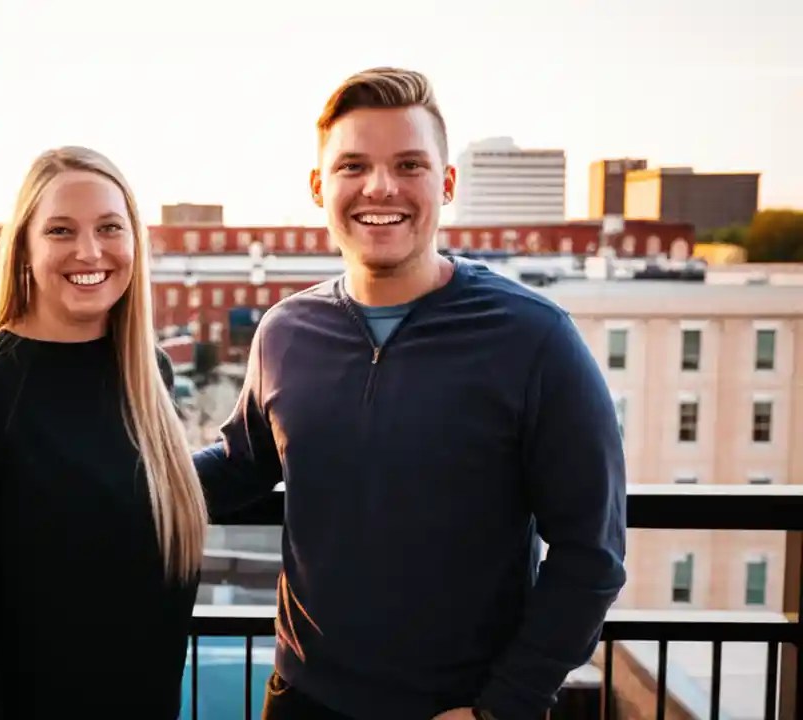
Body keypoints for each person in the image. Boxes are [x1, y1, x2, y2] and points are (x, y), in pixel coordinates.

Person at [194, 67, 627, 720]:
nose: (380, 188)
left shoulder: (536, 340)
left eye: (408, 164)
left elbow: (591, 554)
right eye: (353, 166)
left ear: (445, 184)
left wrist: (503, 707)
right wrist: (111, 479)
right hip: (301, 702)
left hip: (459, 709)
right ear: (319, 186)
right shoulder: (285, 332)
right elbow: (240, 465)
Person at [0, 146, 209, 719]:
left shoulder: (147, 375)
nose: (90, 252)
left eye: (110, 227)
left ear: (134, 242)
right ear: (25, 251)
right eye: (61, 230)